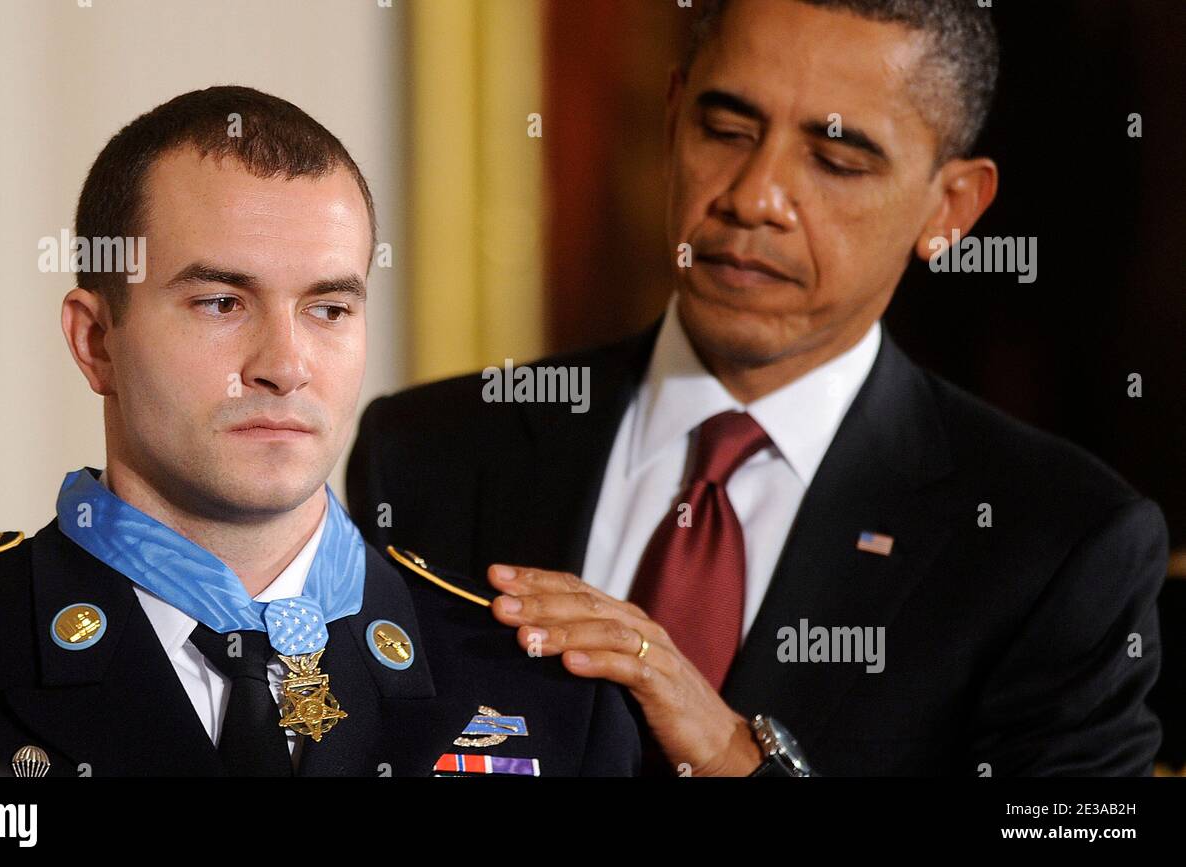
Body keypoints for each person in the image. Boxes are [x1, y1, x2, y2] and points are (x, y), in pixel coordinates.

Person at [348, 0, 1168, 776]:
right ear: (672, 120)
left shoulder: (1059, 545)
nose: (754, 197)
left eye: (837, 159)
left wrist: (733, 756)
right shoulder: (428, 452)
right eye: (727, 129)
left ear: (950, 208)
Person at [0, 86, 639, 778]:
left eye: (329, 308)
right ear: (96, 342)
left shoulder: (544, 685)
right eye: (221, 302)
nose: (284, 365)